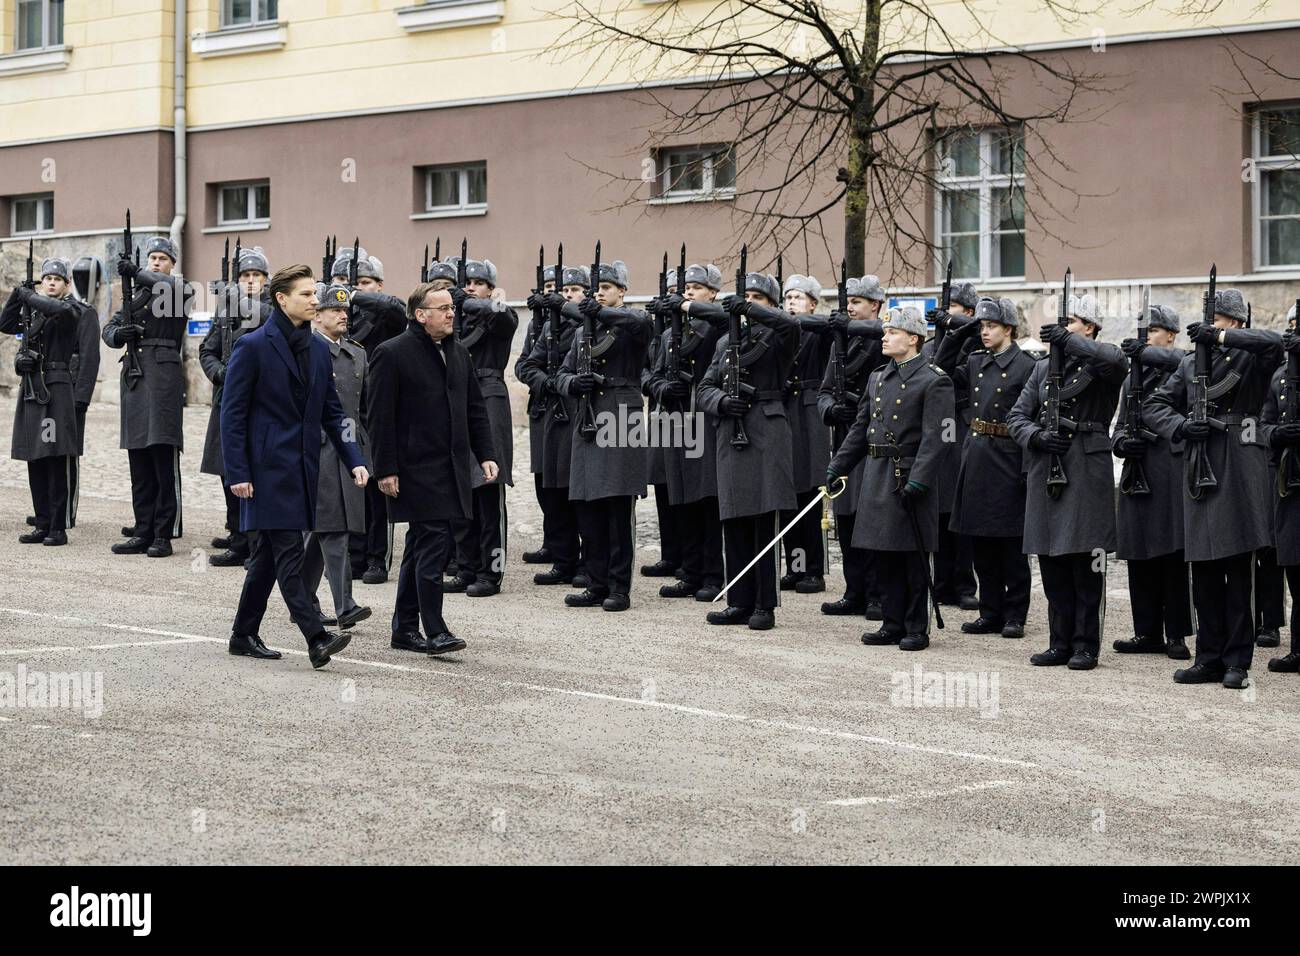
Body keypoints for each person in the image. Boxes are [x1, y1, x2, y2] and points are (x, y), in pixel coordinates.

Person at [222, 264, 368, 668]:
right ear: (282, 299)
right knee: (288, 554)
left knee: (268, 557)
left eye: (314, 293)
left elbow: (333, 413)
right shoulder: (252, 346)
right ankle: (316, 636)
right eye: (305, 294)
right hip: (265, 472)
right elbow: (231, 415)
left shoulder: (320, 349)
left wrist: (353, 458)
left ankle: (242, 633)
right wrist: (238, 472)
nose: (314, 300)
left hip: (303, 470)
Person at [1146, 288, 1284, 689]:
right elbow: (1156, 406)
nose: (1211, 327)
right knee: (1203, 571)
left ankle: (1237, 661)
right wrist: (1181, 428)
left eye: (1219, 321)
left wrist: (1221, 339)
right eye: (1211, 323)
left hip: (1239, 468)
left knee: (1238, 571)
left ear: (1235, 323)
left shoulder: (1250, 355)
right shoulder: (1190, 364)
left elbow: (1273, 342)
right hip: (1199, 465)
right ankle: (1208, 656)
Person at [366, 283, 498, 655]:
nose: (451, 314)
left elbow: (474, 407)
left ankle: (404, 629)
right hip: (413, 468)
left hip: (451, 466)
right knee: (434, 544)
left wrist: (484, 453)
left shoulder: (458, 352)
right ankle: (435, 630)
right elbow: (380, 418)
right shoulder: (391, 353)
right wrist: (385, 469)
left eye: (452, 308)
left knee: (421, 545)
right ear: (420, 315)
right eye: (442, 309)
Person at [1007, 293, 1126, 670]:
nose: (1060, 330)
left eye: (1070, 322)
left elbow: (1114, 360)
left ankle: (1086, 644)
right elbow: (1017, 416)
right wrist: (1036, 437)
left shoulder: (1103, 364)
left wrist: (1069, 341)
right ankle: (1059, 641)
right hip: (1048, 464)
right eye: (1061, 325)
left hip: (1086, 468)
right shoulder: (1043, 370)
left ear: (1088, 327)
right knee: (1051, 557)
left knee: (1085, 559)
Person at [827, 306, 955, 651]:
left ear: (913, 338)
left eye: (893, 332)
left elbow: (940, 437)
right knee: (883, 553)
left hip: (910, 476)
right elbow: (860, 428)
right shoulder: (878, 377)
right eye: (885, 332)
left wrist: (921, 479)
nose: (885, 337)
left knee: (912, 555)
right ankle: (891, 622)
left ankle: (916, 627)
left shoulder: (934, 379)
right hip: (877, 473)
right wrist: (839, 465)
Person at [696, 270, 799, 630]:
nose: (750, 304)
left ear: (771, 304)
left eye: (758, 299)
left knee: (763, 522)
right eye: (746, 298)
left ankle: (764, 604)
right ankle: (738, 599)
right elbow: (704, 388)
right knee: (735, 520)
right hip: (731, 432)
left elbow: (790, 326)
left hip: (766, 432)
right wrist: (722, 402)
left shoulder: (778, 336)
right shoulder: (725, 343)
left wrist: (752, 311)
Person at [935, 296, 1037, 639]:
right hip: (978, 455)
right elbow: (942, 371)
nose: (984, 332)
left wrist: (1026, 470)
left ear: (1009, 328)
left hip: (1009, 456)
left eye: (990, 325)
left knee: (1011, 544)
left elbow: (1030, 417)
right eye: (981, 326)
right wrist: (956, 334)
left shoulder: (1027, 365)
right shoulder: (977, 361)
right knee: (980, 542)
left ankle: (1015, 614)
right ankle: (990, 611)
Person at [555, 259, 651, 611]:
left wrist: (599, 313)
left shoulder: (631, 324)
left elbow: (642, 322)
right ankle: (595, 582)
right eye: (596, 290)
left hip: (621, 415)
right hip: (588, 419)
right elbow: (562, 374)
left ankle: (619, 586)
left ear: (622, 292)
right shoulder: (583, 332)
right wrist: (571, 383)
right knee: (586, 507)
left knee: (617, 505)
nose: (599, 294)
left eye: (606, 289)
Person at [1111, 304, 1192, 659]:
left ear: (1170, 336)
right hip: (1137, 470)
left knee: (1172, 556)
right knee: (1139, 553)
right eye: (1143, 332)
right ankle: (1146, 632)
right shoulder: (1134, 377)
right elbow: (1117, 427)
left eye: (1153, 332)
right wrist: (1121, 444)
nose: (1145, 339)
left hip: (1170, 471)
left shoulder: (1185, 368)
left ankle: (1176, 634)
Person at [103, 236, 191, 558]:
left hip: (163, 377)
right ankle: (142, 529)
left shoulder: (177, 290)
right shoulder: (135, 296)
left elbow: (169, 288)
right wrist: (117, 335)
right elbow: (109, 327)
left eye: (162, 258)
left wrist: (137, 271)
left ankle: (163, 533)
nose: (156, 262)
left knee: (162, 455)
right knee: (138, 457)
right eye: (152, 257)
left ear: (172, 263)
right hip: (136, 378)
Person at [649, 262, 728, 600]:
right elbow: (652, 375)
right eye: (687, 288)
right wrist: (663, 389)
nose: (689, 292)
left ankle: (713, 575)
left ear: (712, 292)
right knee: (680, 495)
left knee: (707, 498)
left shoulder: (717, 325)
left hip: (703, 417)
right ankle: (690, 570)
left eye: (697, 288)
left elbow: (724, 320)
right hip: (675, 417)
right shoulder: (668, 334)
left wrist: (688, 307)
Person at [1, 258, 87, 545]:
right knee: (34, 456)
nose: (51, 282)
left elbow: (60, 310)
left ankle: (58, 527)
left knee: (54, 456)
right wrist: (17, 294)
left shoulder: (70, 309)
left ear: (66, 285)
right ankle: (41, 522)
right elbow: (5, 324)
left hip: (56, 389)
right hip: (32, 389)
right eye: (47, 278)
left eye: (57, 279)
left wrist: (31, 297)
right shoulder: (34, 312)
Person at [301, 283, 372, 631]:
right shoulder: (305, 350)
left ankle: (302, 600)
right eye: (335, 310)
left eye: (346, 311)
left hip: (350, 447)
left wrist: (366, 452)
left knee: (320, 530)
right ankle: (346, 606)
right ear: (317, 315)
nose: (344, 316)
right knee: (333, 527)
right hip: (317, 447)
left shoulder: (357, 353)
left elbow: (365, 408)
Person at [446, 258, 517, 597]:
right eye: (467, 283)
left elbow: (504, 316)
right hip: (456, 403)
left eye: (478, 282)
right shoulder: (451, 320)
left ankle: (492, 571)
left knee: (489, 491)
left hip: (489, 400)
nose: (471, 287)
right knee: (460, 492)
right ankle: (466, 567)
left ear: (490, 288)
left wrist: (470, 302)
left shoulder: (496, 310)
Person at [819, 275, 887, 620]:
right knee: (845, 518)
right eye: (848, 303)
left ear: (875, 305)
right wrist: (832, 409)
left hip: (875, 438)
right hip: (845, 435)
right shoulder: (839, 342)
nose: (850, 309)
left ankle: (878, 594)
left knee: (869, 517)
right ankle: (854, 590)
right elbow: (825, 390)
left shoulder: (883, 337)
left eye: (857, 302)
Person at [335, 250, 406, 585]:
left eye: (364, 283)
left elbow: (397, 309)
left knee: (379, 487)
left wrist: (356, 294)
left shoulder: (384, 315)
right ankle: (355, 554)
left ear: (377, 285)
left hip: (378, 409)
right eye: (347, 283)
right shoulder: (336, 319)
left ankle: (379, 557)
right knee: (351, 485)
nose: (353, 290)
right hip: (345, 409)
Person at [200, 247, 271, 567]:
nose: (251, 281)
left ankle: (255, 539)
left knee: (251, 470)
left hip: (258, 401)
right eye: (245, 276)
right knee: (227, 468)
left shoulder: (272, 306)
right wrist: (218, 372)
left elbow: (264, 319)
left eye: (257, 276)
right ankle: (237, 535)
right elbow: (208, 348)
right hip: (225, 398)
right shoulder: (225, 308)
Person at [518, 266, 588, 586]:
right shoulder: (546, 327)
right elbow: (526, 365)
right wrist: (547, 383)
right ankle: (562, 558)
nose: (564, 295)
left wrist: (561, 383)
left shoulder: (586, 325)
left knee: (577, 491)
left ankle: (586, 560)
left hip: (575, 411)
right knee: (551, 488)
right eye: (559, 289)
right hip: (548, 409)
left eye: (574, 290)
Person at [927, 282, 981, 611]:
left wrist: (951, 325)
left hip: (962, 421)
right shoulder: (936, 341)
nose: (945, 316)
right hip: (938, 424)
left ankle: (965, 584)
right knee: (941, 508)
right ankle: (942, 582)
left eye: (954, 309)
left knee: (961, 507)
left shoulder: (976, 337)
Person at [779, 274, 834, 594]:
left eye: (797, 298)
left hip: (809, 410)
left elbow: (827, 328)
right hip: (786, 408)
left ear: (813, 303)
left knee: (810, 497)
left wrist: (801, 320)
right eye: (787, 298)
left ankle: (814, 569)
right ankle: (795, 566)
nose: (790, 303)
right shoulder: (781, 331)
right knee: (789, 495)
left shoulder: (817, 330)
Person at [1260, 302, 1300, 673]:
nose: (1292, 332)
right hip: (1289, 480)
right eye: (1289, 325)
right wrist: (1277, 434)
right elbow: (1263, 424)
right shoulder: (1280, 376)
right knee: (1293, 565)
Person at [518, 263, 559, 565]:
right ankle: (552, 541)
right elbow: (522, 365)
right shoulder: (536, 325)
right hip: (541, 405)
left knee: (563, 481)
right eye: (546, 290)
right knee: (543, 479)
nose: (550, 295)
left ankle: (569, 547)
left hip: (564, 408)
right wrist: (542, 381)